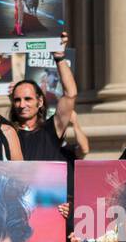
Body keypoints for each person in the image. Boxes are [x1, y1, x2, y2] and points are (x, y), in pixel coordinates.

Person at [10, 32, 77, 161]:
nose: (22, 105)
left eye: (28, 99)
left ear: (40, 101)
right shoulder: (7, 132)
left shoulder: (51, 129)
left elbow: (70, 94)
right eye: (17, 100)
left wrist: (59, 58)